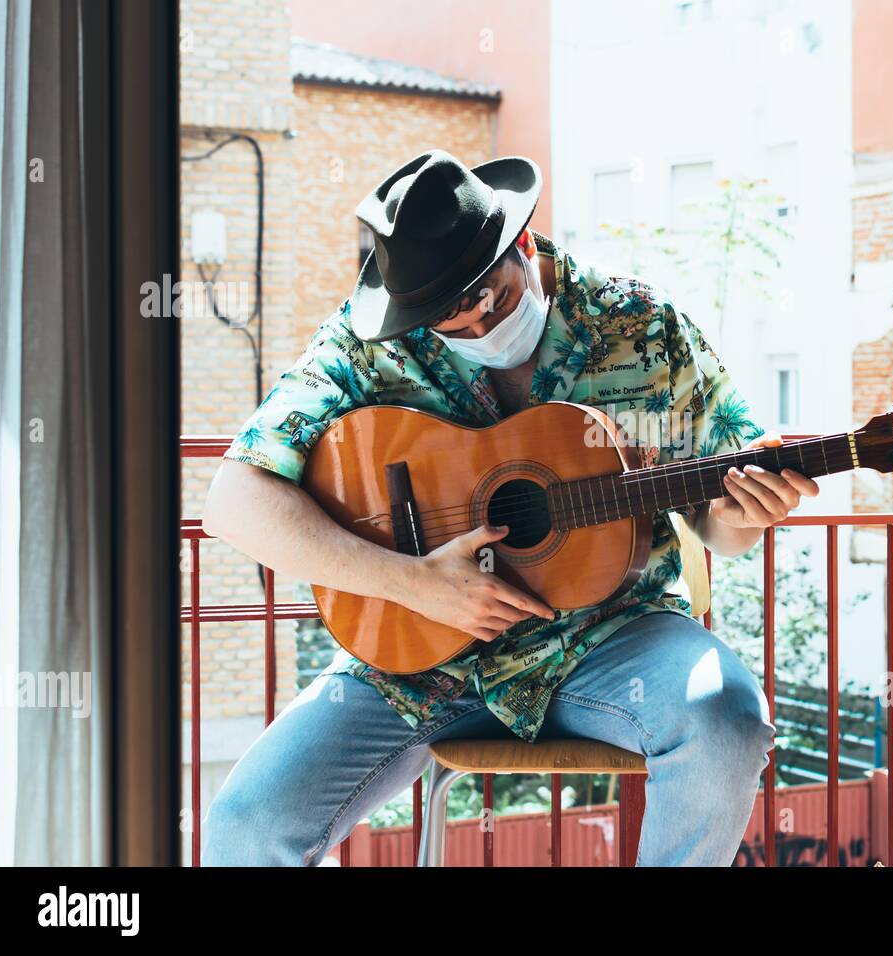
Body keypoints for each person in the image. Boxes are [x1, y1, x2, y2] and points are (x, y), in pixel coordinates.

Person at [200, 150, 818, 866]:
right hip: (417, 658)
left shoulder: (640, 328)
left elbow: (720, 521)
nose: (476, 327)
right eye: (447, 322)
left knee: (728, 721)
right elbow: (234, 502)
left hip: (612, 639)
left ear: (521, 244)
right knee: (245, 825)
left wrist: (748, 510)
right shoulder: (366, 346)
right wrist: (415, 583)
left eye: (489, 298)